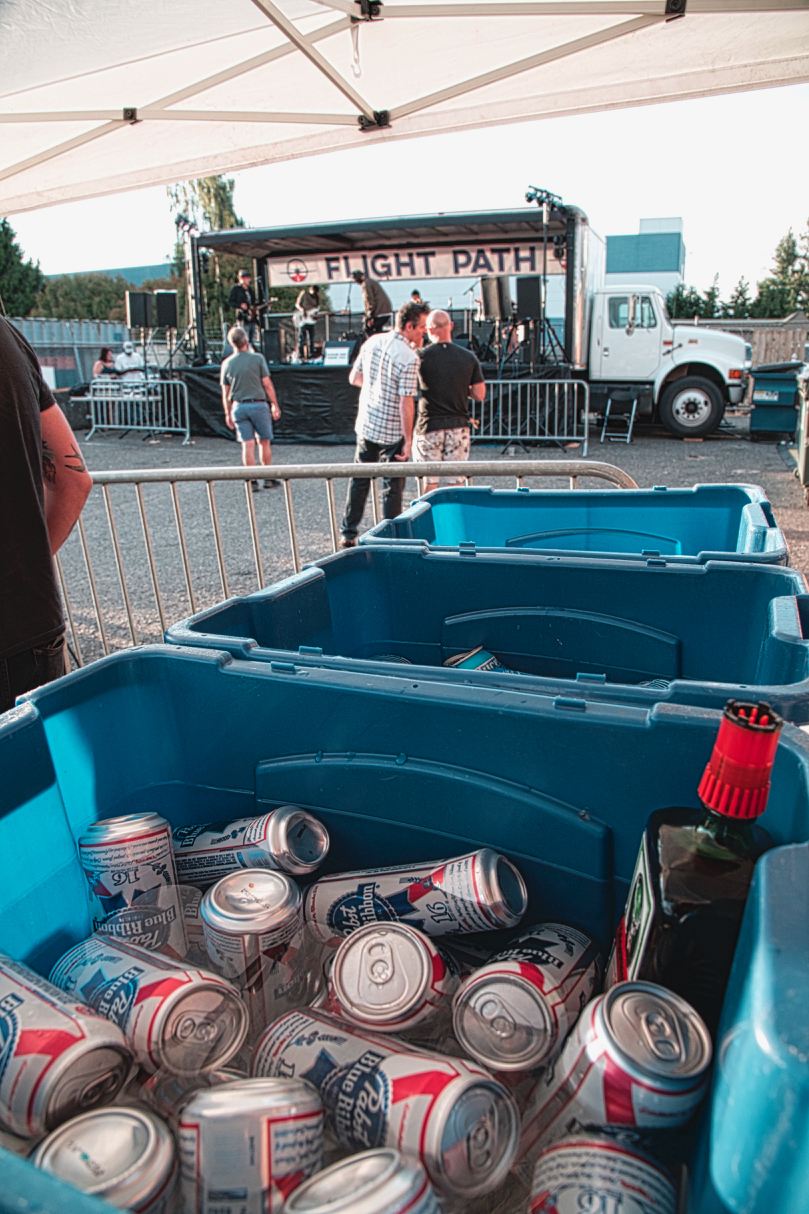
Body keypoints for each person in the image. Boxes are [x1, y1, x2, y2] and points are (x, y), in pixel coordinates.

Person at [0, 317, 93, 713]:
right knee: (37, 753)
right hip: (32, 623)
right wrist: (24, 567)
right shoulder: (8, 336)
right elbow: (74, 480)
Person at [340, 301, 428, 549]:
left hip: (367, 422)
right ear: (409, 326)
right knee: (392, 486)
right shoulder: (409, 357)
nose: (424, 332)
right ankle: (390, 538)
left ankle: (348, 532)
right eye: (422, 327)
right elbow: (406, 402)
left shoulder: (372, 341)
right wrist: (408, 439)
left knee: (359, 479)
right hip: (392, 429)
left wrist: (376, 386)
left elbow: (354, 377)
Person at [413, 309, 486, 493]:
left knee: (428, 482)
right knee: (456, 482)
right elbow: (480, 394)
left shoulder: (420, 356)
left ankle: (428, 512)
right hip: (458, 426)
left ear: (429, 330)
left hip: (429, 425)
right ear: (451, 326)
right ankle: (455, 512)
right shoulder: (468, 357)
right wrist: (461, 389)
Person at [220, 326, 282, 492]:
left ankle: (251, 480)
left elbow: (225, 392)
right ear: (246, 341)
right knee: (264, 442)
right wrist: (274, 403)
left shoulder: (226, 363)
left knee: (247, 444)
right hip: (258, 404)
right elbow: (267, 384)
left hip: (238, 406)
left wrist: (227, 413)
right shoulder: (258, 359)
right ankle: (268, 477)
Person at [352, 271, 393, 338]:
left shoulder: (366, 284)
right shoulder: (370, 281)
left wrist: (370, 315)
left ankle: (373, 343)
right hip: (385, 310)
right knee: (377, 331)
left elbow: (369, 299)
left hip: (380, 312)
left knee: (367, 328)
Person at [228, 270, 259, 346]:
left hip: (252, 317)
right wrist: (240, 305)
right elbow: (230, 302)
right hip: (243, 317)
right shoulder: (236, 289)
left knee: (252, 339)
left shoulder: (250, 290)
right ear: (241, 279)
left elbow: (253, 302)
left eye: (249, 278)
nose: (248, 280)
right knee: (244, 338)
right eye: (246, 278)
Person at [294, 285, 320, 362]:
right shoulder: (304, 294)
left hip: (311, 321)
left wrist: (316, 316)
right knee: (302, 339)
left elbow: (317, 309)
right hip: (303, 319)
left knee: (311, 339)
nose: (314, 294)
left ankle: (311, 355)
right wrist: (303, 310)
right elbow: (297, 304)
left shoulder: (317, 298)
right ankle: (301, 356)